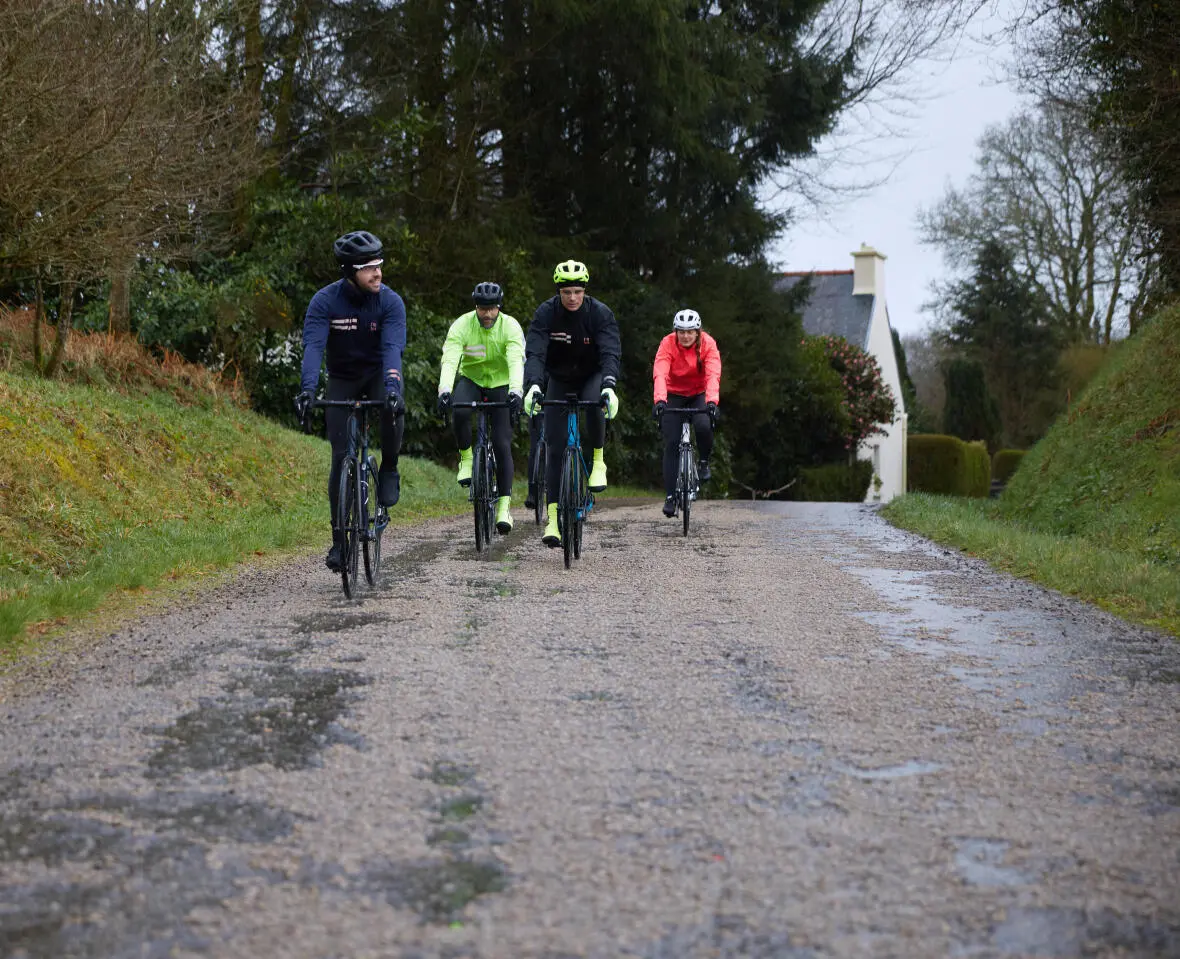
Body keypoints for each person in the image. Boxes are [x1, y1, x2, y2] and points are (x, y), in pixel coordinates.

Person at [295, 230, 406, 572]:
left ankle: (388, 467)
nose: (378, 273)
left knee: (393, 411)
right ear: (350, 271)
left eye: (380, 265)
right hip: (342, 379)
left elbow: (391, 348)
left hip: (376, 375)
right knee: (340, 456)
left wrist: (391, 387)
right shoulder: (324, 302)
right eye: (369, 267)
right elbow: (313, 347)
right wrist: (308, 390)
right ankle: (340, 543)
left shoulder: (390, 302)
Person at [522, 259, 621, 548]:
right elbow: (536, 353)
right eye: (567, 293)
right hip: (559, 379)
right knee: (554, 448)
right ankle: (553, 520)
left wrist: (609, 386)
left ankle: (598, 461)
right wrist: (534, 386)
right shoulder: (546, 313)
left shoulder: (599, 313)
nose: (573, 297)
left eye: (577, 291)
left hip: (591, 376)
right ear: (559, 292)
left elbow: (610, 353)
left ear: (584, 291)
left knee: (593, 404)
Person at [437, 281, 525, 533]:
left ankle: (504, 507)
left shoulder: (510, 326)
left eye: (492, 309)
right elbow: (451, 358)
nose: (487, 314)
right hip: (472, 379)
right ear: (475, 307)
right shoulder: (462, 325)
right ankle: (466, 459)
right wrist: (445, 390)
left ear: (499, 307)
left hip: (502, 382)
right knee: (460, 410)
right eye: (482, 308)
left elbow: (516, 360)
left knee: (501, 442)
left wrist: (516, 392)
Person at [652, 308, 721, 518]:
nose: (685, 336)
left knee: (702, 424)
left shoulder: (708, 344)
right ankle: (671, 496)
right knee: (672, 442)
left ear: (698, 332)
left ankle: (703, 462)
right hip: (673, 393)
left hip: (699, 393)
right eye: (681, 331)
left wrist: (711, 402)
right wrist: (660, 400)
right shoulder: (667, 343)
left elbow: (712, 374)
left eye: (690, 331)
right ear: (676, 332)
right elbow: (660, 372)